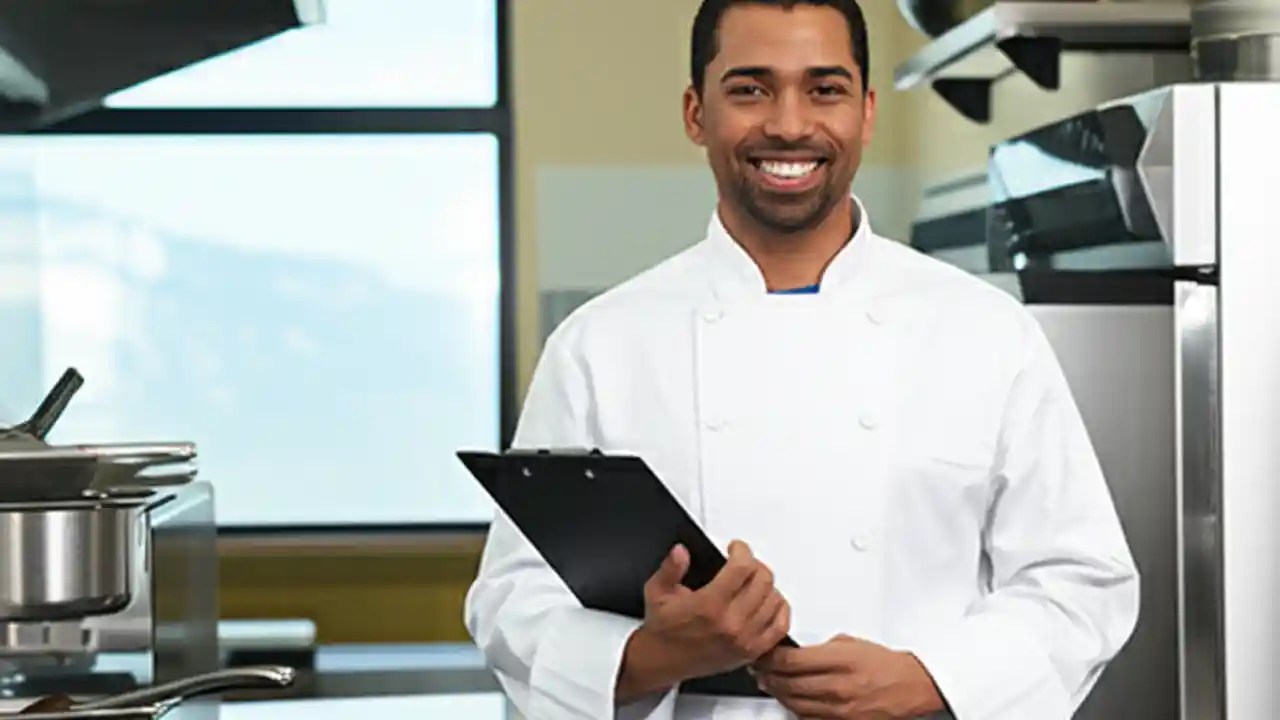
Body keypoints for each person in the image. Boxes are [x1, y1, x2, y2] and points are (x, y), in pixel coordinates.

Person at [464, 0, 1140, 717]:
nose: (789, 124)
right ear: (696, 113)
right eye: (750, 89)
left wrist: (932, 679)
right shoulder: (600, 344)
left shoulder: (986, 332)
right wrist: (651, 657)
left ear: (867, 111)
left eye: (825, 89)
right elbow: (513, 599)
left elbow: (1080, 583)